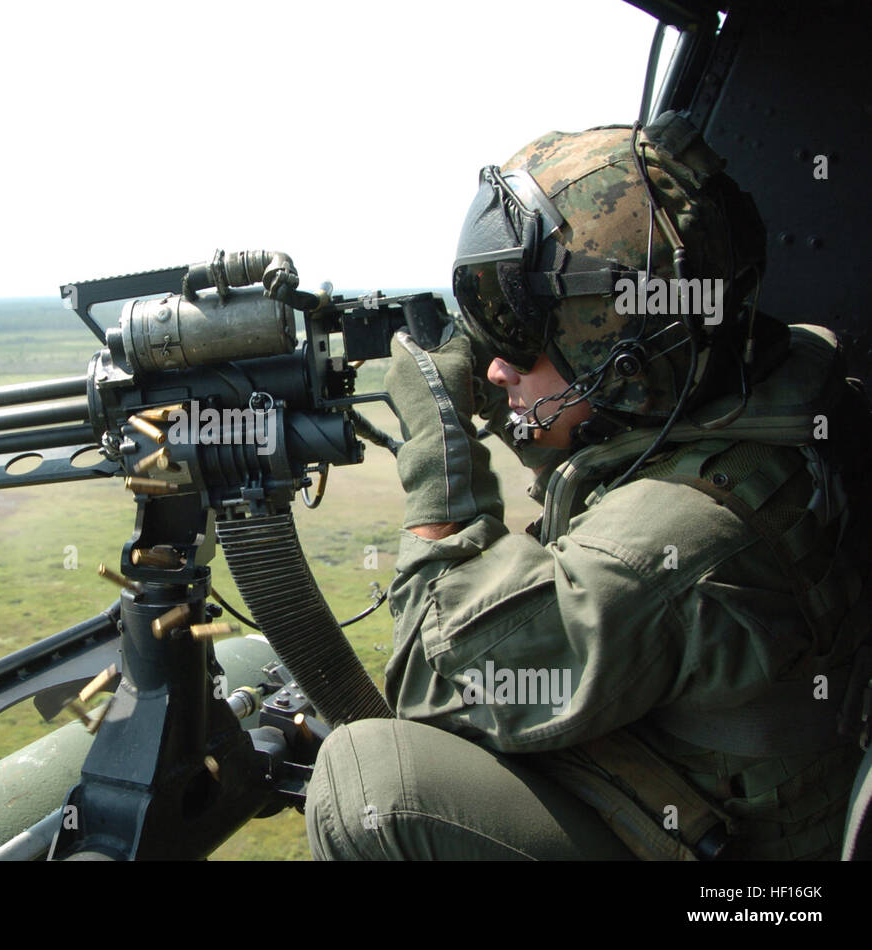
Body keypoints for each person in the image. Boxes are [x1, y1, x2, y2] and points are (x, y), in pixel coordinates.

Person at [305, 114, 872, 860]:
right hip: (766, 792)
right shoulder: (777, 382)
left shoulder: (673, 543)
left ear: (621, 349)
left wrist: (438, 442)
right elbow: (606, 440)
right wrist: (534, 379)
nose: (498, 368)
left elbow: (435, 673)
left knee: (367, 783)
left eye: (521, 334)